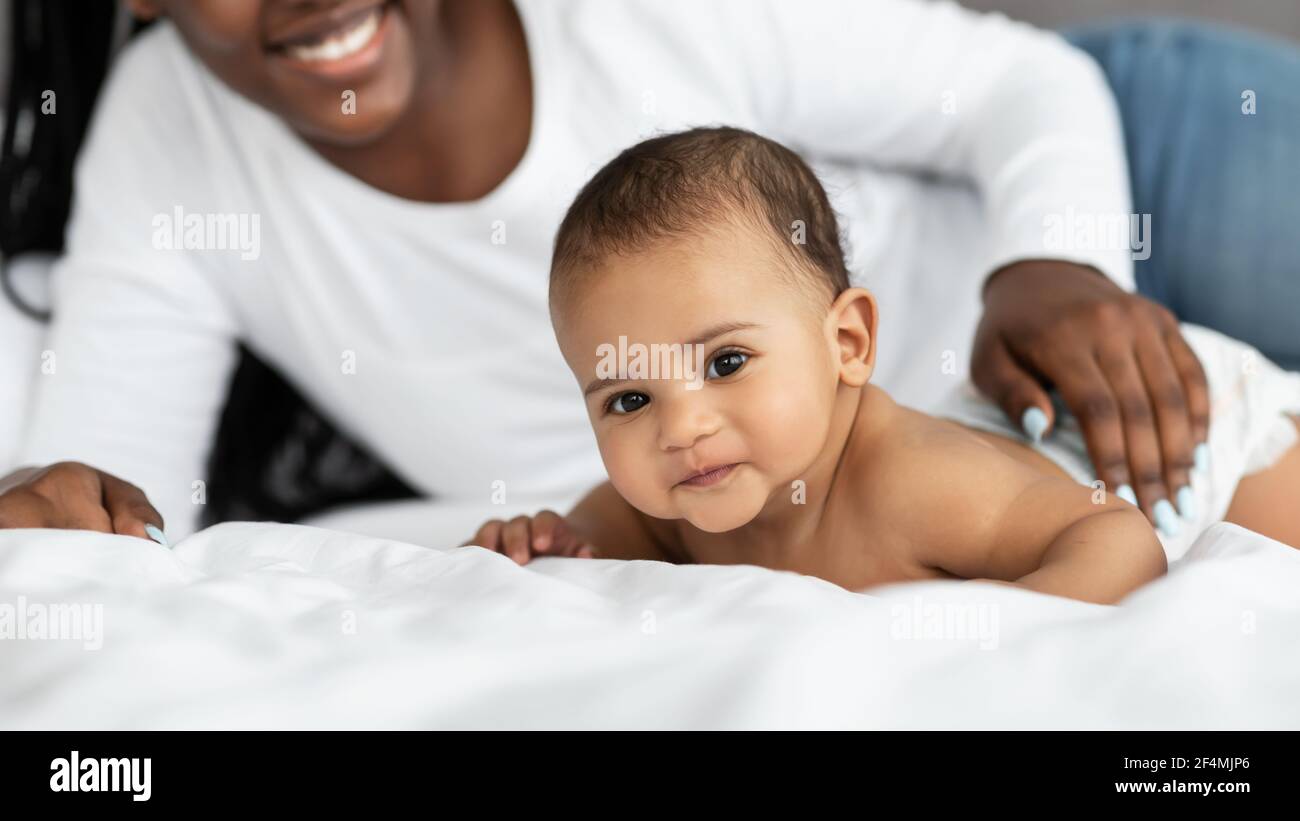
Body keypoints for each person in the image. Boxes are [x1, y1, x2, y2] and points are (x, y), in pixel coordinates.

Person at [2, 1, 1298, 546]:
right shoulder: (167, 140)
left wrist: (1055, 263)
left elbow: (1016, 84)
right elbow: (110, 503)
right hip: (973, 465)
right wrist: (53, 512)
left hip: (1116, 192)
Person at [465, 127, 1300, 605]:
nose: (681, 426)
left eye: (725, 361)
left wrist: (1014, 636)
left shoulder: (911, 481)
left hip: (1180, 425)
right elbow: (595, 538)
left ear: (849, 344)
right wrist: (544, 542)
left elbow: (1114, 536)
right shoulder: (671, 505)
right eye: (629, 397)